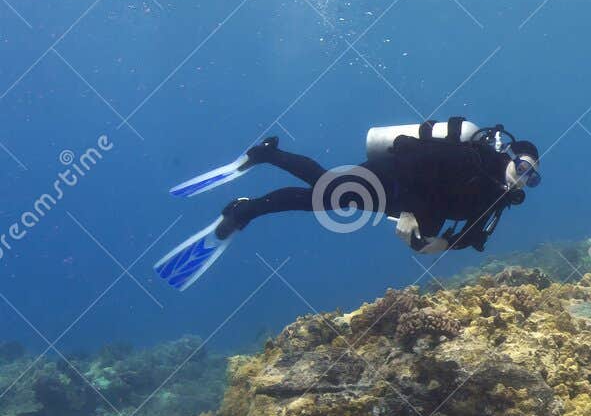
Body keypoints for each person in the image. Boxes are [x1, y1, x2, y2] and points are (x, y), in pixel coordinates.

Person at [155, 118, 539, 290]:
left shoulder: (496, 203)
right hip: (393, 177)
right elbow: (408, 151)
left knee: (322, 196)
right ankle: (253, 188)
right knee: (324, 190)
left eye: (530, 177)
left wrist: (424, 244)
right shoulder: (471, 158)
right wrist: (413, 211)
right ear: (510, 156)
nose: (521, 178)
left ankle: (253, 187)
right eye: (522, 167)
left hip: (400, 203)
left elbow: (466, 239)